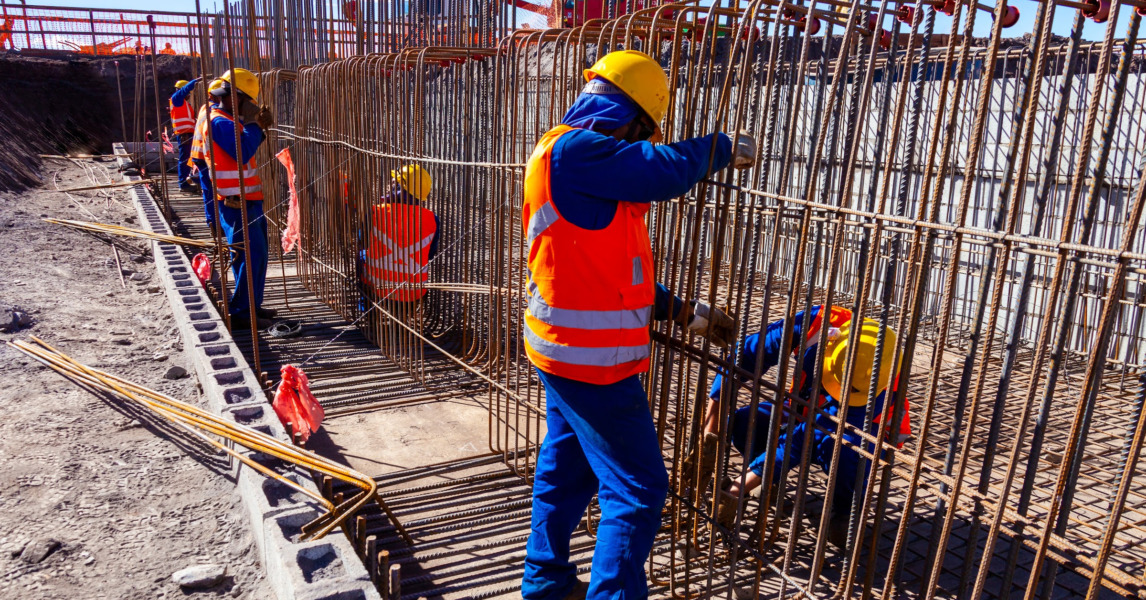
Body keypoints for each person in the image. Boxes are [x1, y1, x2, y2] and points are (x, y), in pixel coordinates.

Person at [520, 49, 755, 600]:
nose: (640, 144)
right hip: (593, 364)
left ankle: (546, 583)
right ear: (630, 117)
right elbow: (663, 171)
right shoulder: (578, 151)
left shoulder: (582, 166)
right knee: (640, 492)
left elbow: (613, 274)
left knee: (567, 473)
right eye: (643, 132)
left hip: (564, 353)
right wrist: (721, 147)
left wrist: (688, 314)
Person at [688, 306, 910, 547]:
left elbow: (805, 438)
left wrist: (736, 488)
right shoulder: (816, 323)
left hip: (860, 433)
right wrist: (711, 425)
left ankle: (846, 508)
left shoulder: (880, 379)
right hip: (804, 407)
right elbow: (747, 356)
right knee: (746, 421)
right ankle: (766, 479)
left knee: (848, 451)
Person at [206, 68, 276, 330]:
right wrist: (254, 125)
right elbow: (242, 151)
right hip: (235, 204)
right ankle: (241, 310)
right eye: (250, 102)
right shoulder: (219, 121)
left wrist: (256, 127)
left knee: (258, 255)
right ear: (237, 97)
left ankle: (252, 305)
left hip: (249, 200)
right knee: (248, 255)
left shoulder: (229, 120)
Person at [362, 164, 440, 303]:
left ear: (399, 188)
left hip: (378, 292)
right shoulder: (431, 218)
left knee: (362, 255)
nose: (389, 185)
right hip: (414, 295)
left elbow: (362, 242)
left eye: (393, 182)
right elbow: (430, 254)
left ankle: (366, 307)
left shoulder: (376, 211)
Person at [190, 79, 223, 233]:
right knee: (212, 190)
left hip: (199, 154)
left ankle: (213, 222)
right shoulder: (214, 111)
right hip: (204, 156)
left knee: (208, 190)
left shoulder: (205, 107)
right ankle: (215, 224)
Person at [169, 78, 199, 193]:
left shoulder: (184, 103)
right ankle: (183, 183)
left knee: (189, 158)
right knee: (185, 158)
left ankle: (188, 180)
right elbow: (184, 91)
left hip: (189, 133)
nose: (188, 95)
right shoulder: (177, 99)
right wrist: (195, 81)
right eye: (188, 93)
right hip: (184, 134)